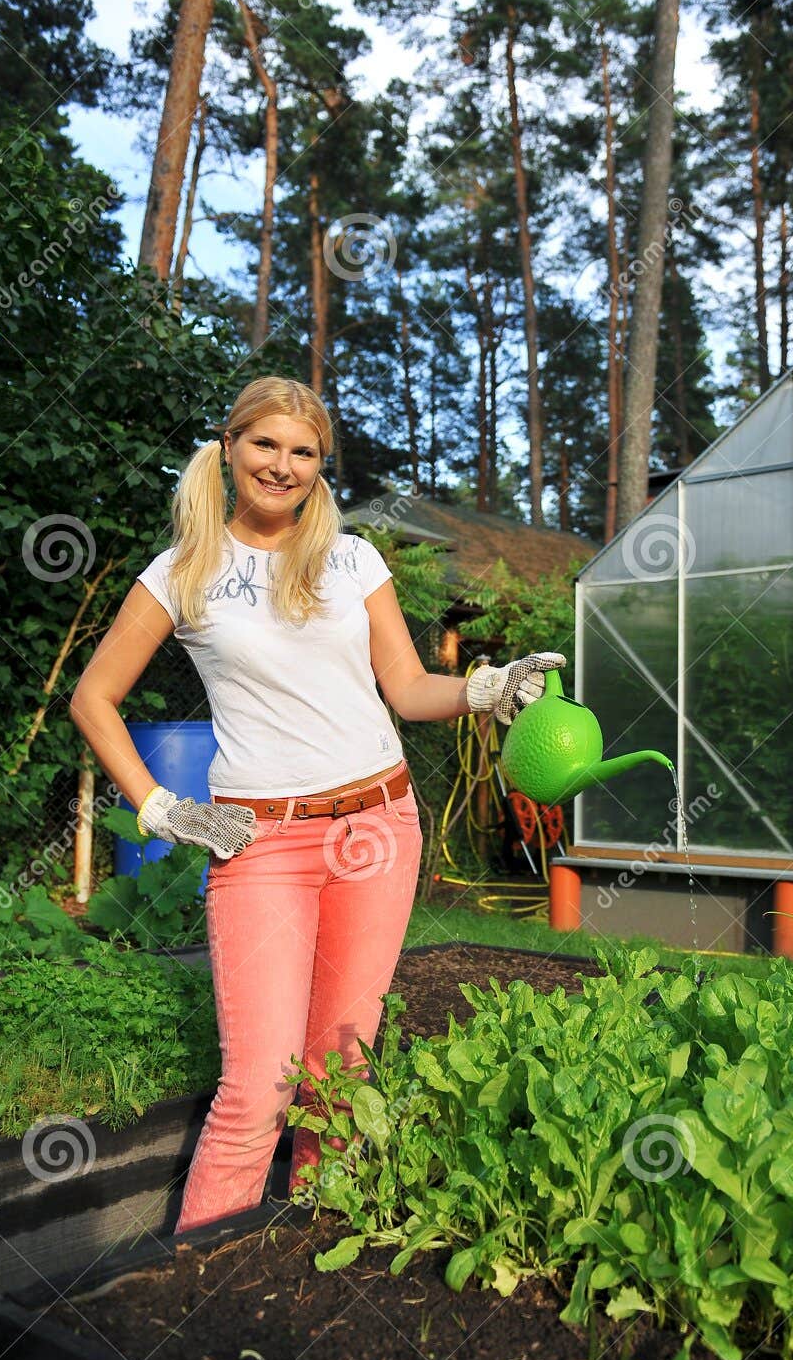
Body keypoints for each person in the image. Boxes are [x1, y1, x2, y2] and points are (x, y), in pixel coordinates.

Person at [69, 376, 565, 1233]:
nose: (282, 465)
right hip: (261, 843)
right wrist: (159, 808)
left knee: (339, 1077)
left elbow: (407, 688)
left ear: (319, 466)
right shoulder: (183, 572)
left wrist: (485, 688)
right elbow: (93, 697)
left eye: (303, 452)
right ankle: (195, 1284)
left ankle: (309, 1261)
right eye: (265, 444)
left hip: (379, 826)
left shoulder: (352, 559)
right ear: (229, 448)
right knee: (257, 1088)